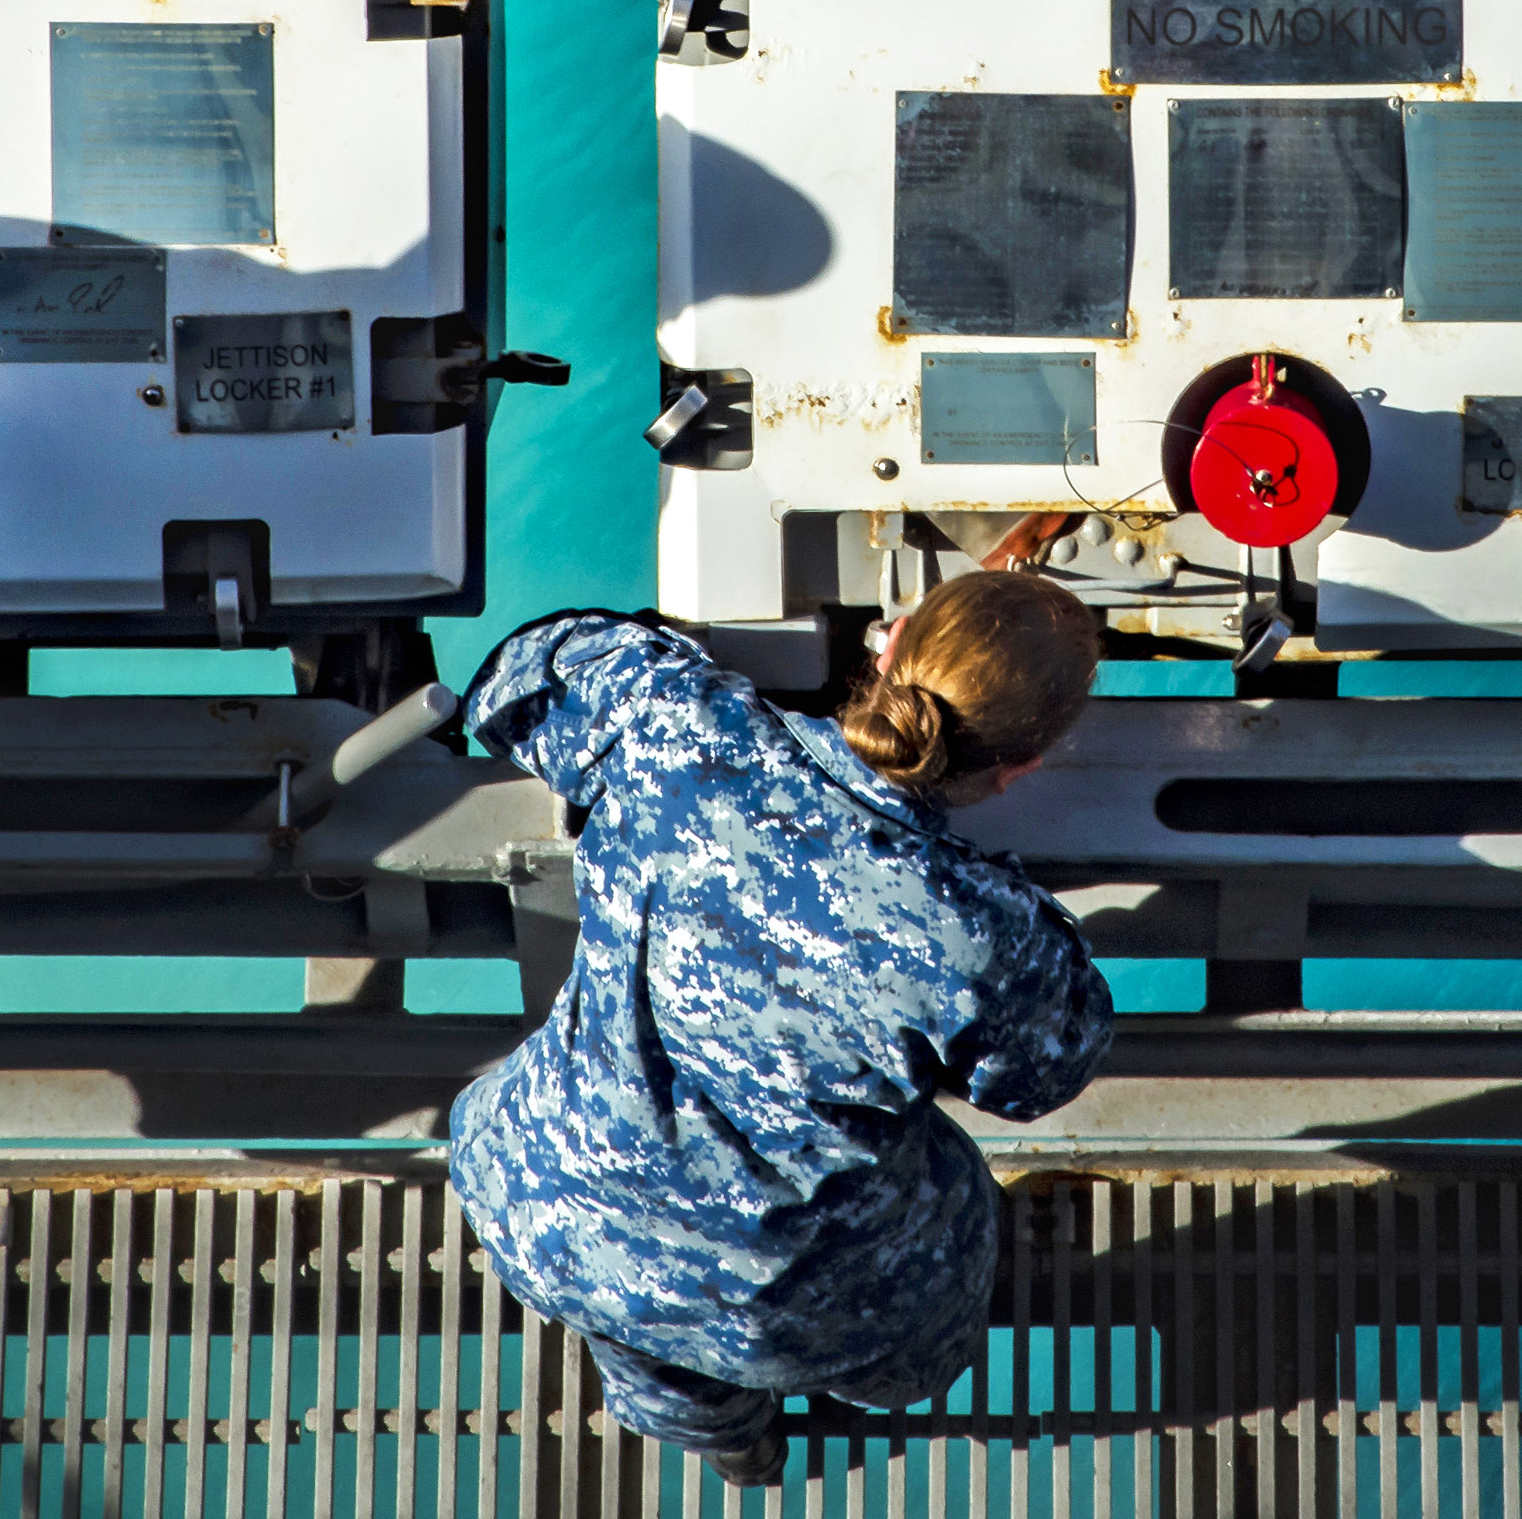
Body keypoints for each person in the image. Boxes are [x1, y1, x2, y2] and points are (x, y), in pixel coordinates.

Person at [449, 569, 1115, 1484]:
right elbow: (1046, 1073)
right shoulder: (980, 934)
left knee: (631, 1302)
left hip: (548, 1206)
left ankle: (730, 1444)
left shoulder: (677, 727)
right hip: (794, 1296)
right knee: (951, 1198)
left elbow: (521, 676)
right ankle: (848, 1388)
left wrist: (665, 651)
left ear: (892, 640)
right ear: (1022, 768)